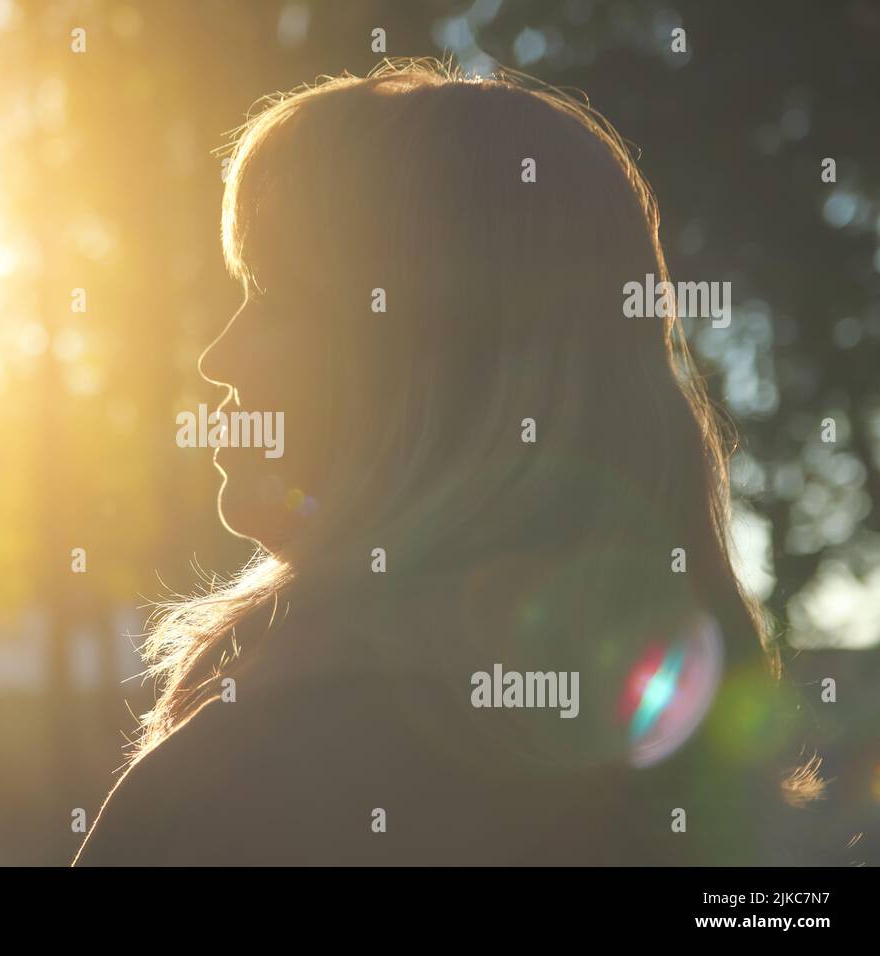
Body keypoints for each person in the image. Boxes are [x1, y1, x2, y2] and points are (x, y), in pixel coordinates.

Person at [75, 60, 820, 866]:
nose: (220, 358)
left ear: (439, 365)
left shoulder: (234, 790)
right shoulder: (712, 804)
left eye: (275, 297)